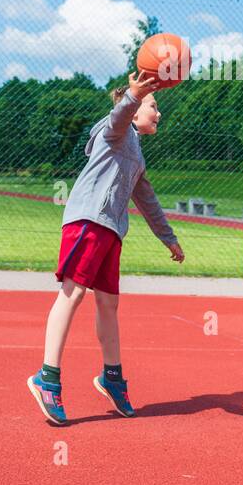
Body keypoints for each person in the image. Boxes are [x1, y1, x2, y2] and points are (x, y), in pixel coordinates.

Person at [28, 69, 184, 425]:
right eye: (154, 106)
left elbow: (148, 201)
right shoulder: (115, 132)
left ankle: (112, 378)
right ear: (134, 107)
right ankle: (47, 378)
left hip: (110, 230)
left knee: (109, 303)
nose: (158, 114)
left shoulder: (138, 156)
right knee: (73, 293)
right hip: (87, 221)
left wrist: (168, 237)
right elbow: (118, 117)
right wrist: (132, 95)